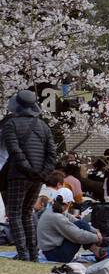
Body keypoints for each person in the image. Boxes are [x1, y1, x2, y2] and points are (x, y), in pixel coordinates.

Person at [2, 91, 58, 261]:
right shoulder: (43, 126)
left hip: (18, 175)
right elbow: (52, 153)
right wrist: (43, 173)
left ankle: (22, 253)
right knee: (27, 213)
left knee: (14, 213)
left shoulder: (11, 124)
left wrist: (29, 170)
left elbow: (15, 151)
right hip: (37, 178)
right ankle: (33, 253)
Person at [36, 196, 103, 263]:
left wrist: (96, 231)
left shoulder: (51, 210)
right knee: (79, 234)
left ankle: (96, 250)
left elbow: (76, 221)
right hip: (55, 255)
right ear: (67, 204)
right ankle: (97, 250)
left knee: (80, 224)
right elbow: (78, 236)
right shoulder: (56, 217)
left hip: (50, 252)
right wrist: (97, 238)